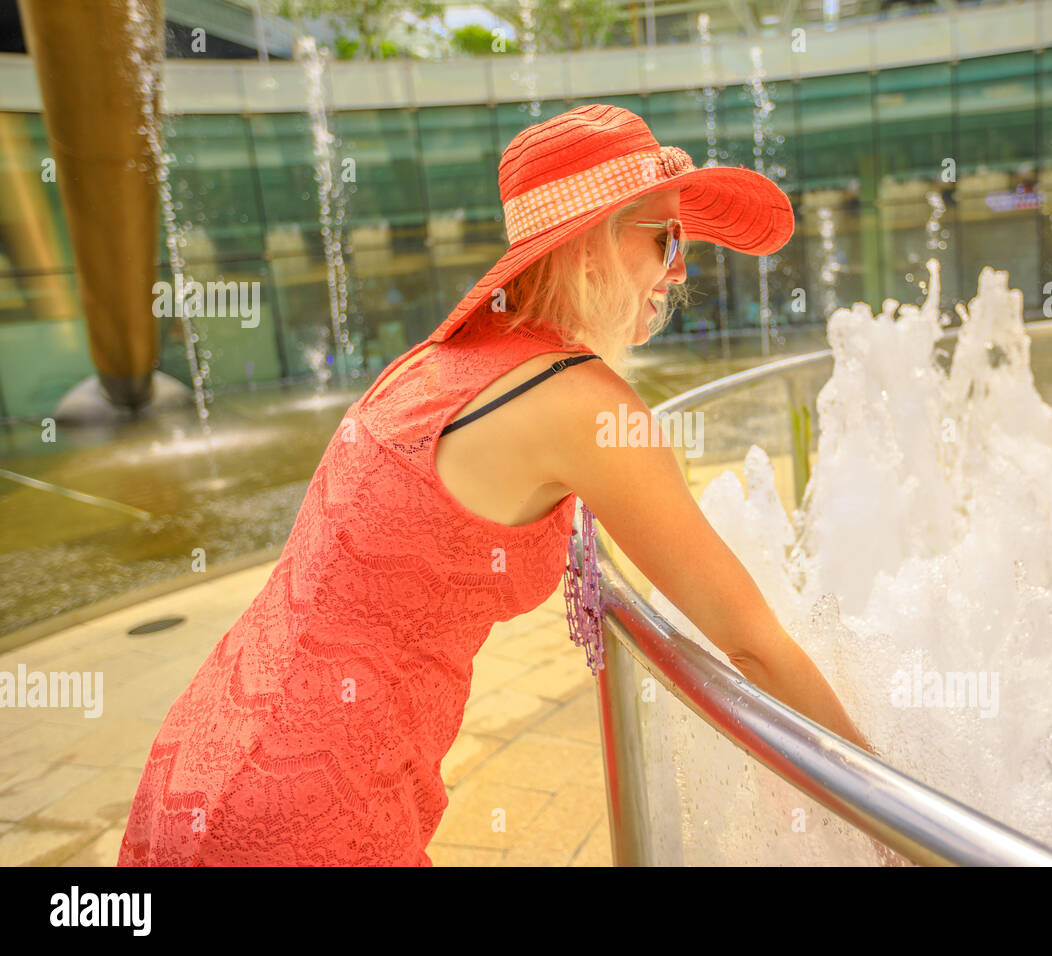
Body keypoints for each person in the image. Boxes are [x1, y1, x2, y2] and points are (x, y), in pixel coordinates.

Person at [117, 103, 873, 868]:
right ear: (595, 240)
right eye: (666, 239)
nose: (680, 271)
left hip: (206, 753)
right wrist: (891, 820)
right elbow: (754, 644)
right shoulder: (586, 405)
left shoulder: (432, 365)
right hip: (309, 807)